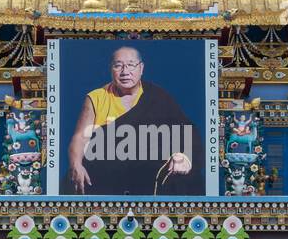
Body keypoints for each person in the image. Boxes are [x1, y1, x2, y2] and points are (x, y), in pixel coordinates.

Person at [65, 45, 204, 195]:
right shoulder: (96, 97)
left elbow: (185, 130)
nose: (125, 72)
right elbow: (80, 136)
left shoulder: (157, 97)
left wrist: (184, 156)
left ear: (141, 68)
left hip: (146, 173)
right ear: (111, 69)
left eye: (131, 65)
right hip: (104, 175)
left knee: (187, 179)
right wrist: (76, 164)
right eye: (118, 66)